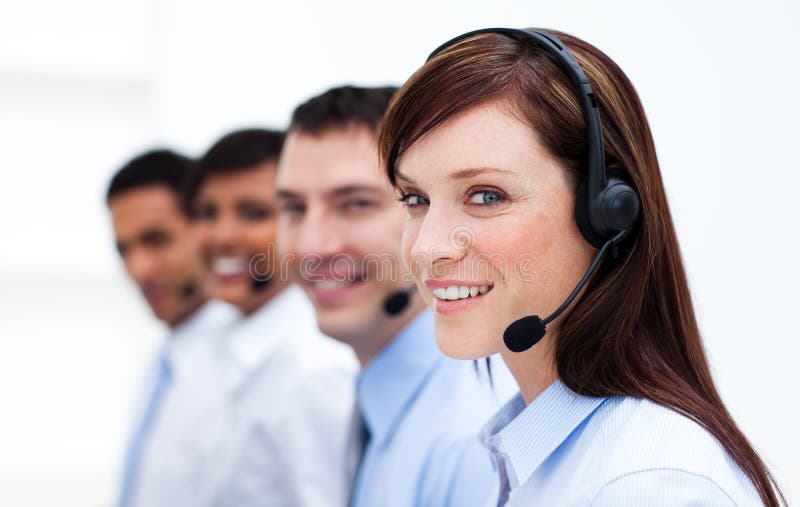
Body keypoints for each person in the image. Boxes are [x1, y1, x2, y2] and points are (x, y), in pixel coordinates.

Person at [379, 28, 785, 506]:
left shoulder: (646, 484)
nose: (428, 249)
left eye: (487, 196)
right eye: (416, 199)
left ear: (608, 211)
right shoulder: (545, 461)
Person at [276, 86, 505, 507]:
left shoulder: (466, 443)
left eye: (355, 204)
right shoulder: (378, 406)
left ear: (425, 210)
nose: (312, 245)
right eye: (293, 209)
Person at [185, 128, 358, 507]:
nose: (222, 236)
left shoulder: (314, 371)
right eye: (206, 213)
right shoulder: (222, 344)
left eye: (254, 214)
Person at [106, 149, 239, 507]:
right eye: (124, 250)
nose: (138, 270)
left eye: (156, 240)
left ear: (205, 228)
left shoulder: (251, 367)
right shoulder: (166, 361)